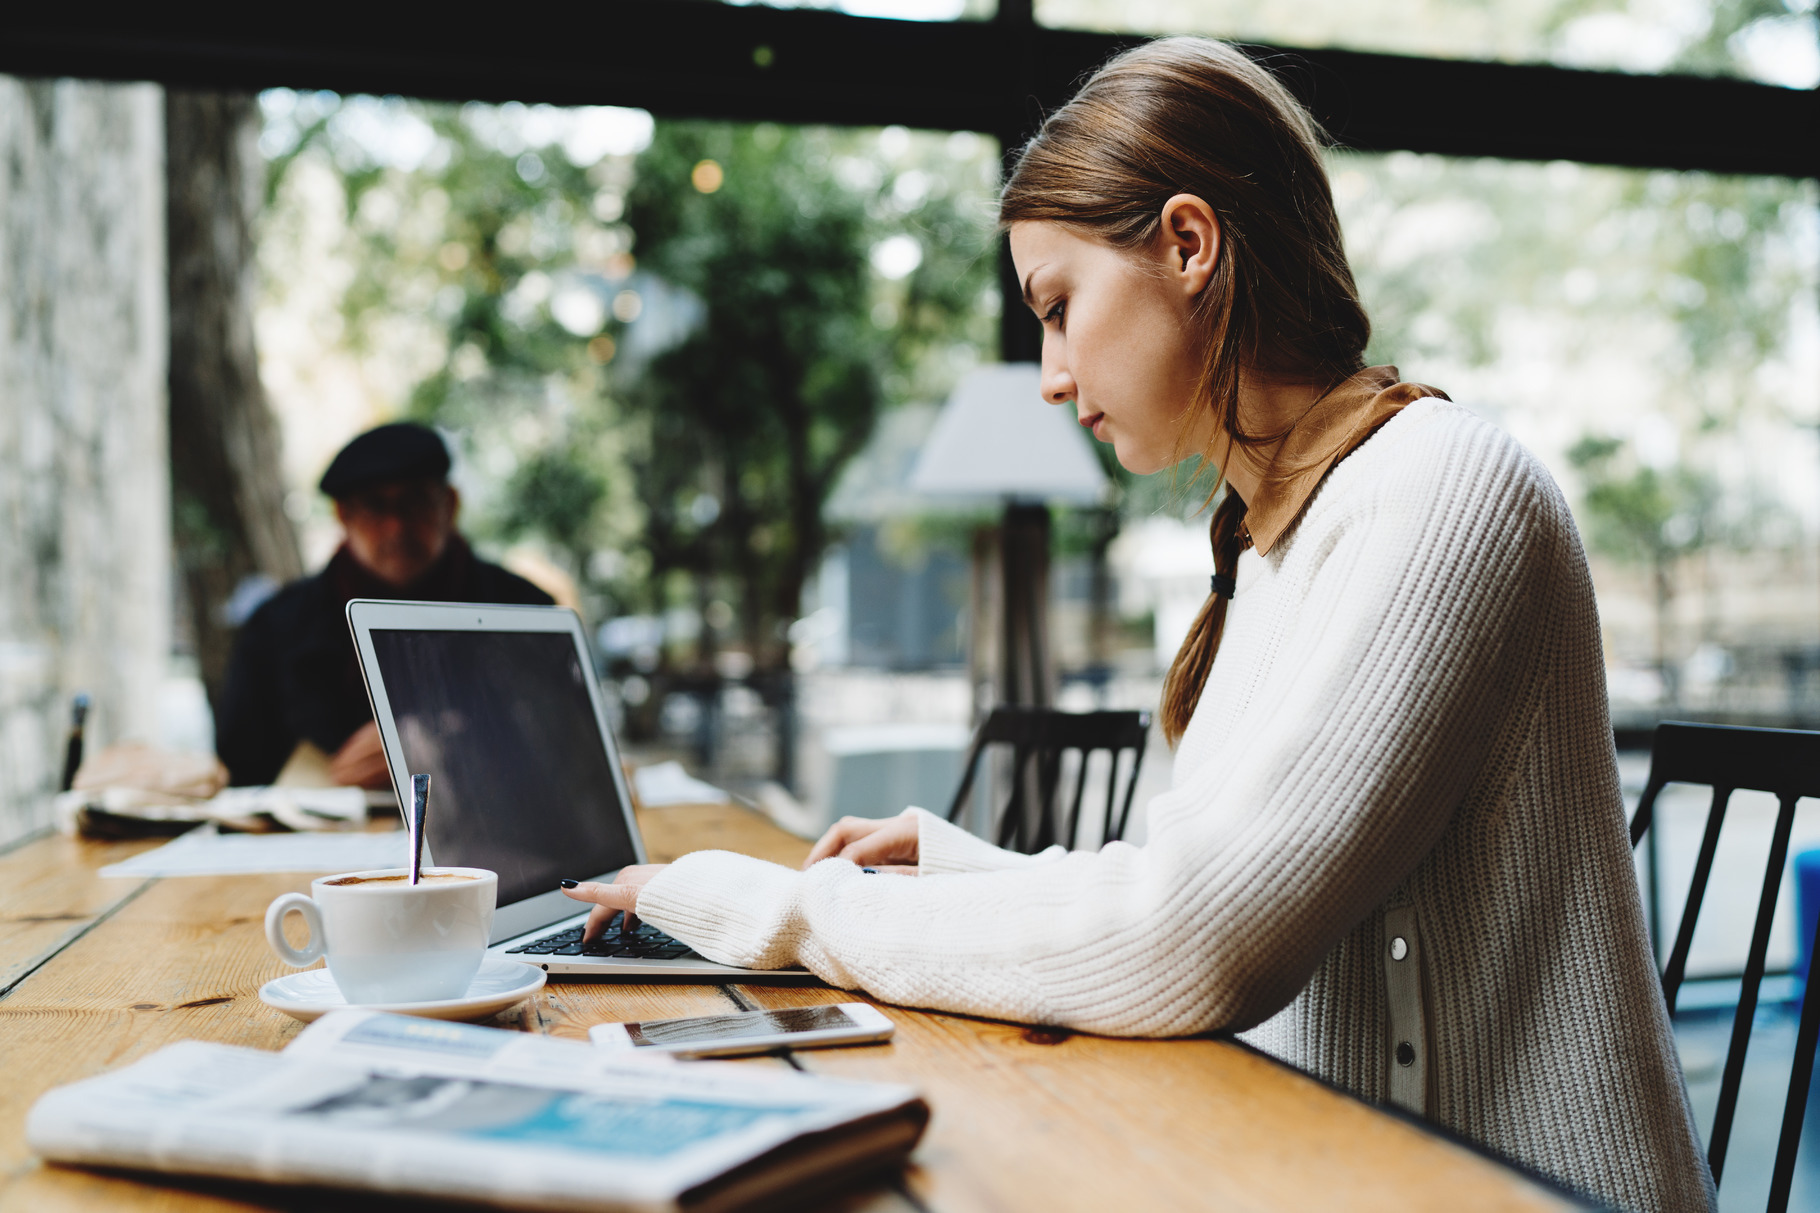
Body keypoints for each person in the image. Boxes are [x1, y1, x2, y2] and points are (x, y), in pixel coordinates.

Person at [559, 39, 1712, 1212]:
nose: (1052, 375)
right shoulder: (1269, 544)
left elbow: (1197, 941)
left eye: (1058, 309)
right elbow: (1201, 885)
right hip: (1337, 1169)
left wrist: (789, 911)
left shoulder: (1438, 485)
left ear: (1188, 244)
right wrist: (953, 873)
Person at [216, 422, 552, 787]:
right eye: (375, 506)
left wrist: (445, 747)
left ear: (450, 504)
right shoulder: (275, 628)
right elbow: (241, 771)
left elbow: (566, 747)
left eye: (416, 502)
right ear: (343, 516)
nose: (396, 527)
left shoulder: (524, 610)